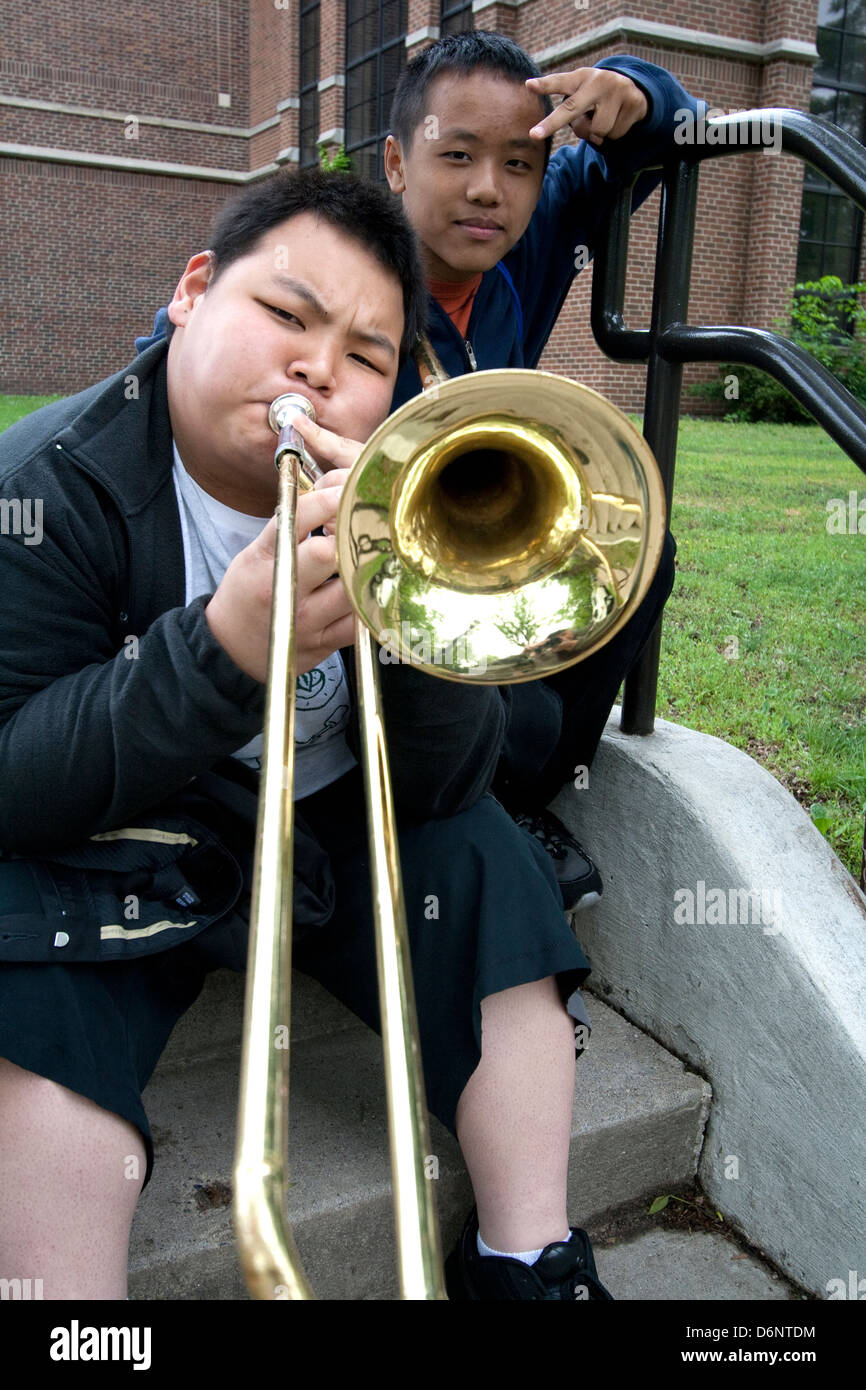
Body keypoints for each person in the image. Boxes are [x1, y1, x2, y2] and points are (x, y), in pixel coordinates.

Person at [0, 167, 608, 1301]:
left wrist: (418, 622)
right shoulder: (44, 487)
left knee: (487, 859)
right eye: (284, 314)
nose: (317, 368)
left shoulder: (393, 501)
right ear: (191, 293)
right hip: (122, 848)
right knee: (28, 990)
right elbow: (10, 779)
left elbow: (444, 784)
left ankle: (527, 1260)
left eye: (367, 356)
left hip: (329, 828)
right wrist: (222, 649)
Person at [137, 32, 700, 916]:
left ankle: (523, 800)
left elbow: (674, 136)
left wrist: (634, 88)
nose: (489, 188)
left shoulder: (530, 228)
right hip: (360, 559)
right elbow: (197, 348)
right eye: (458, 155)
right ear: (396, 162)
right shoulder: (344, 266)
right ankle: (448, 792)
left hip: (470, 528)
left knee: (638, 555)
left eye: (520, 162)